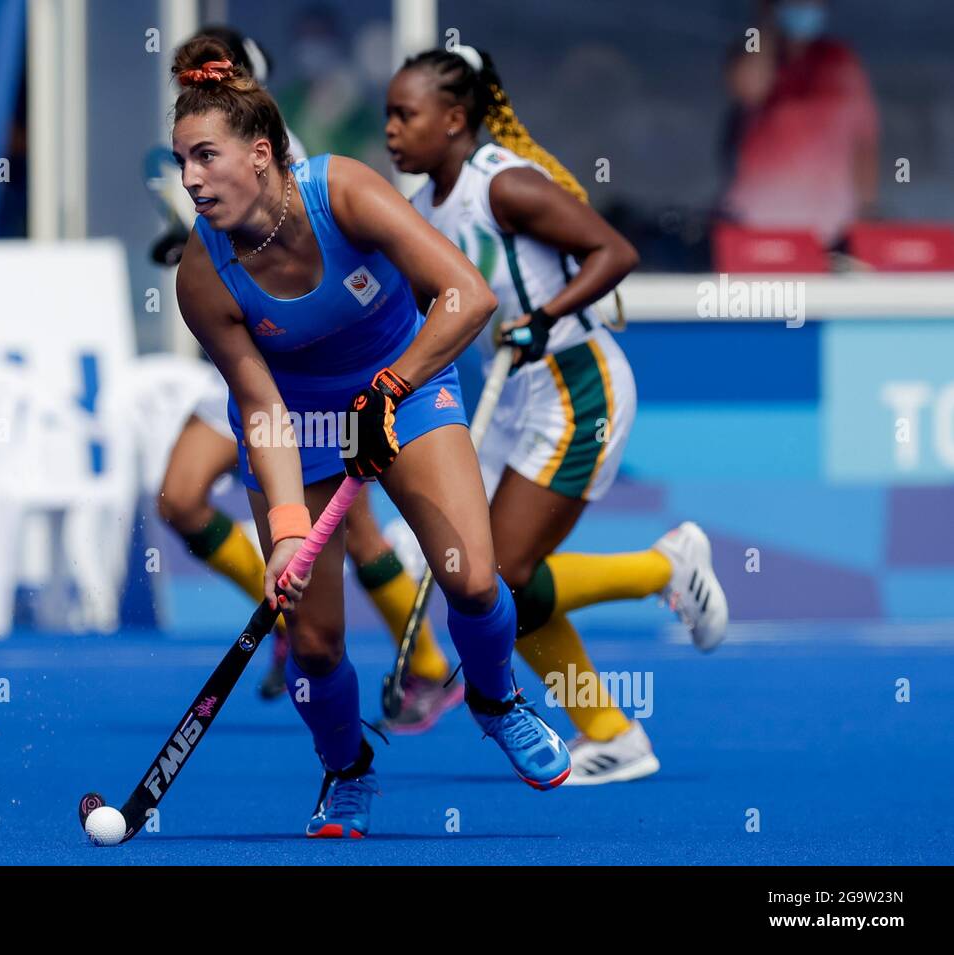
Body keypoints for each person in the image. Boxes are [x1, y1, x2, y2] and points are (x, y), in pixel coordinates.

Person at [170, 34, 571, 838]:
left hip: (407, 384)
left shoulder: (343, 192)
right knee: (314, 646)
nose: (189, 180)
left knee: (473, 579)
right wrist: (286, 534)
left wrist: (389, 389)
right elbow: (260, 407)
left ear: (259, 154)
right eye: (183, 161)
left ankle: (495, 697)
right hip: (298, 422)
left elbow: (464, 295)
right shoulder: (202, 276)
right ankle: (346, 767)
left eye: (205, 157)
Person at [386, 45, 729, 784]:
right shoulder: (416, 212)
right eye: (388, 114)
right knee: (495, 582)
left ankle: (662, 568)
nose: (390, 130)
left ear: (453, 121)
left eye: (403, 115)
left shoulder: (504, 187)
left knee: (499, 579)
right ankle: (613, 734)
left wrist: (544, 314)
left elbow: (615, 251)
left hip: (579, 386)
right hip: (511, 396)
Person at [154, 26, 461, 731]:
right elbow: (218, 248)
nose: (193, 171)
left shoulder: (269, 148)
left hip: (335, 357)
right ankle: (288, 612)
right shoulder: (202, 160)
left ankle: (427, 659)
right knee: (180, 497)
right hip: (258, 353)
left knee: (356, 529)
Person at [721, 0, 879, 246]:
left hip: (832, 227)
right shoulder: (757, 50)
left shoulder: (842, 59)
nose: (806, 7)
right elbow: (749, 85)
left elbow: (864, 141)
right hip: (759, 225)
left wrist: (867, 210)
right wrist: (766, 23)